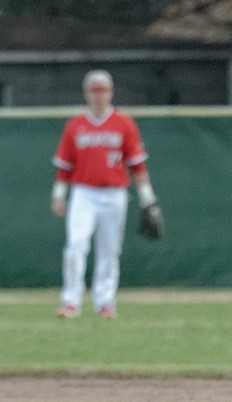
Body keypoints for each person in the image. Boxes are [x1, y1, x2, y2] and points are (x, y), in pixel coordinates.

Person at [49, 70, 158, 319]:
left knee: (109, 251)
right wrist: (58, 196)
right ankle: (71, 301)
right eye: (94, 91)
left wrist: (147, 197)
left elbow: (137, 165)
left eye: (103, 91)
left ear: (111, 93)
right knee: (76, 245)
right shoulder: (75, 126)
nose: (99, 96)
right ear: (86, 93)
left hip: (114, 194)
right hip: (83, 193)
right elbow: (64, 166)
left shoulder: (124, 124)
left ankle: (105, 302)